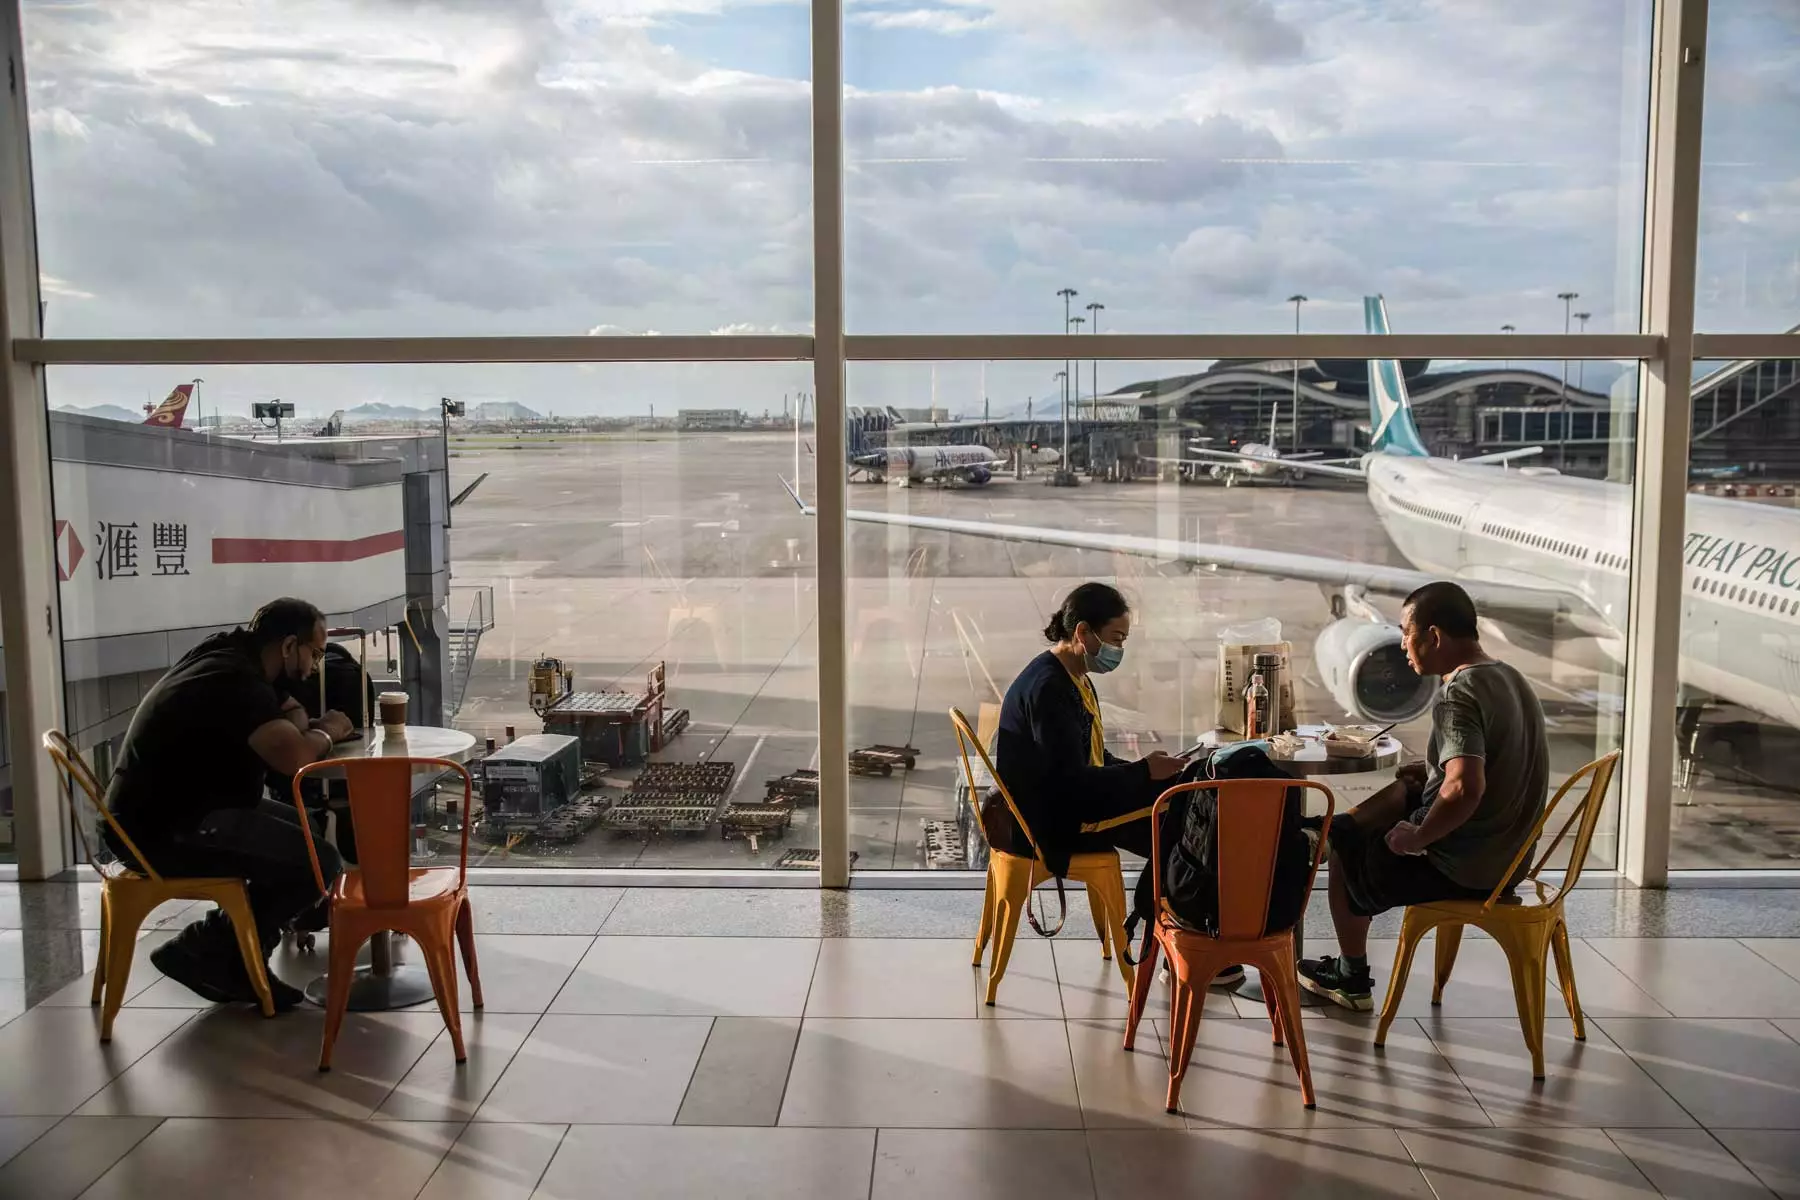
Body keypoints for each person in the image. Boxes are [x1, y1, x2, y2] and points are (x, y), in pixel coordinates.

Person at [1297, 581, 1549, 1011]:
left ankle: (1351, 976)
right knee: (1408, 785)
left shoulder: (1457, 697)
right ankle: (1330, 831)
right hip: (1511, 854)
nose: (1402, 645)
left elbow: (1465, 787)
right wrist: (1429, 776)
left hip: (1468, 866)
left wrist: (1417, 838)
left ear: (1433, 636)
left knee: (1346, 850)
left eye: (1405, 632)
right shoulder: (1510, 678)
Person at [104, 597, 356, 1009]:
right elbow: (294, 758)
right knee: (319, 860)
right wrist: (328, 730)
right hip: (161, 828)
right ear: (289, 646)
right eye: (315, 652)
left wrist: (297, 723)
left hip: (176, 808)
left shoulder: (229, 653)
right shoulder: (235, 681)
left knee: (306, 830)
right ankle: (212, 949)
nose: (315, 665)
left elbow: (290, 718)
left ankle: (234, 944)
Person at [993, 582, 1244, 987]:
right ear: (1082, 633)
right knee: (1180, 822)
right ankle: (1185, 944)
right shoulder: (1050, 691)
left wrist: (1150, 769)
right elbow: (1072, 783)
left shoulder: (1071, 676)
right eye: (1115, 639)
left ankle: (1184, 932)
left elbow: (1091, 760)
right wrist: (1144, 773)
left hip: (1063, 800)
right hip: (1054, 821)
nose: (1119, 650)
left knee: (1179, 802)